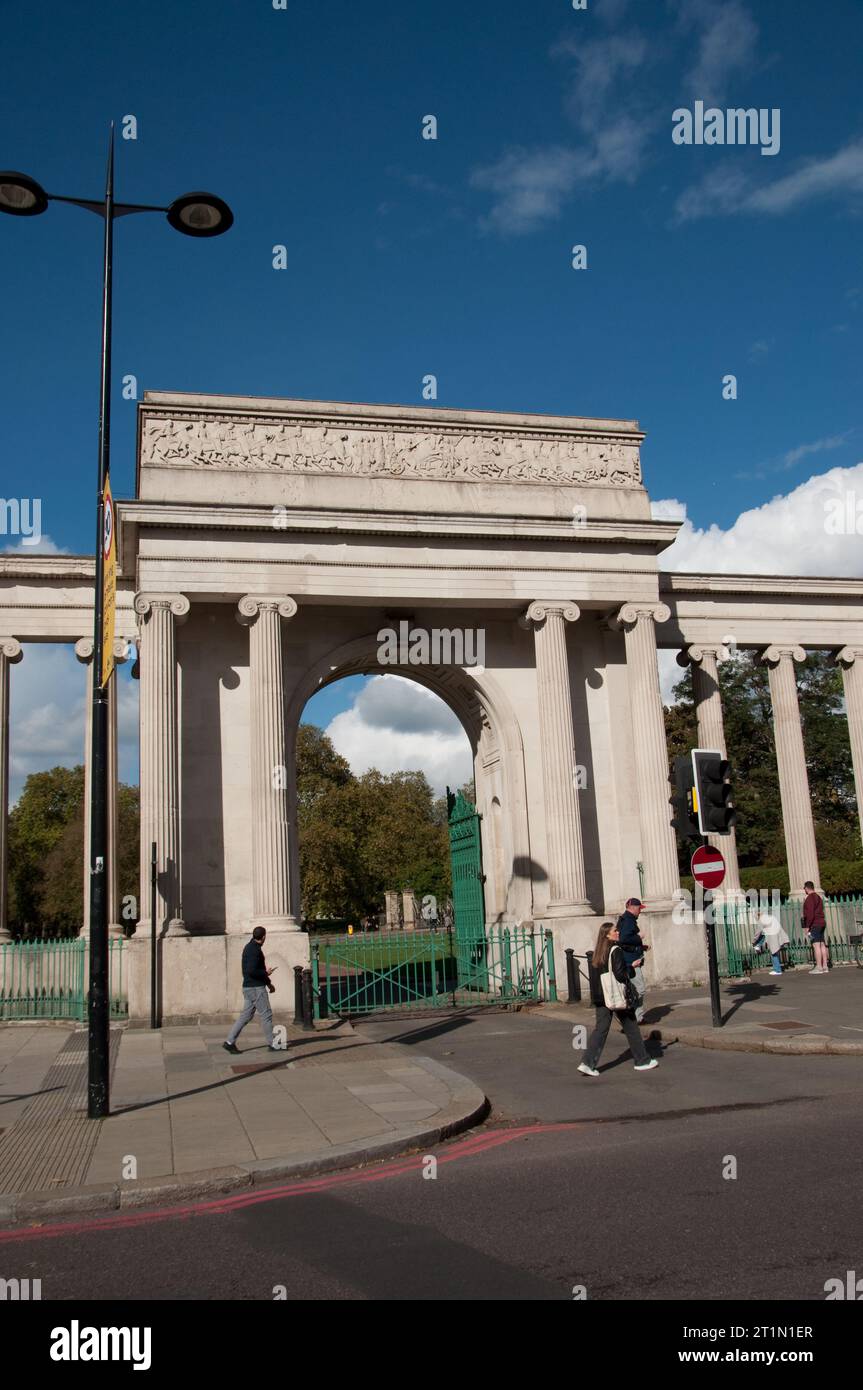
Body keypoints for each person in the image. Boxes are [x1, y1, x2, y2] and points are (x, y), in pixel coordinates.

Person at [578, 922, 658, 1076]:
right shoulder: (615, 950)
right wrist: (632, 967)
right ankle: (642, 1060)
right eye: (615, 930)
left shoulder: (598, 952)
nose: (618, 932)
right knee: (632, 1027)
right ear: (607, 934)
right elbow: (620, 974)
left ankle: (587, 1062)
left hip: (602, 997)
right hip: (616, 996)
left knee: (600, 1029)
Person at [223, 926, 280, 1054]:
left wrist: (268, 983)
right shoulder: (254, 950)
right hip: (256, 988)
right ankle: (273, 1044)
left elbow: (251, 970)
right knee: (266, 1015)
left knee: (246, 1016)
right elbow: (251, 970)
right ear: (264, 937)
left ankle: (229, 1042)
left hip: (249, 987)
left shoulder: (250, 947)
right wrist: (266, 973)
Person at [616, 897, 648, 1023]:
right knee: (639, 989)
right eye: (639, 908)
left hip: (630, 959)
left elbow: (625, 940)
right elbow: (624, 939)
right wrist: (638, 938)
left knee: (633, 989)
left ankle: (637, 1017)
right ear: (633, 908)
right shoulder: (629, 920)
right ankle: (626, 1014)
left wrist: (641, 946)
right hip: (631, 961)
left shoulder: (626, 919)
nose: (640, 911)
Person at [803, 881, 829, 974]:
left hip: (815, 924)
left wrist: (807, 926)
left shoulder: (809, 898)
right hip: (822, 922)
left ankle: (819, 967)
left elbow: (810, 914)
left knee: (816, 945)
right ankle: (825, 966)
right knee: (822, 945)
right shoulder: (818, 897)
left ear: (806, 888)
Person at [752, 910, 790, 975]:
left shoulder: (762, 920)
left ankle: (777, 970)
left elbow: (758, 932)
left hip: (773, 936)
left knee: (774, 953)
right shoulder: (771, 917)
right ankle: (777, 969)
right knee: (775, 952)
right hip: (778, 935)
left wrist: (754, 940)